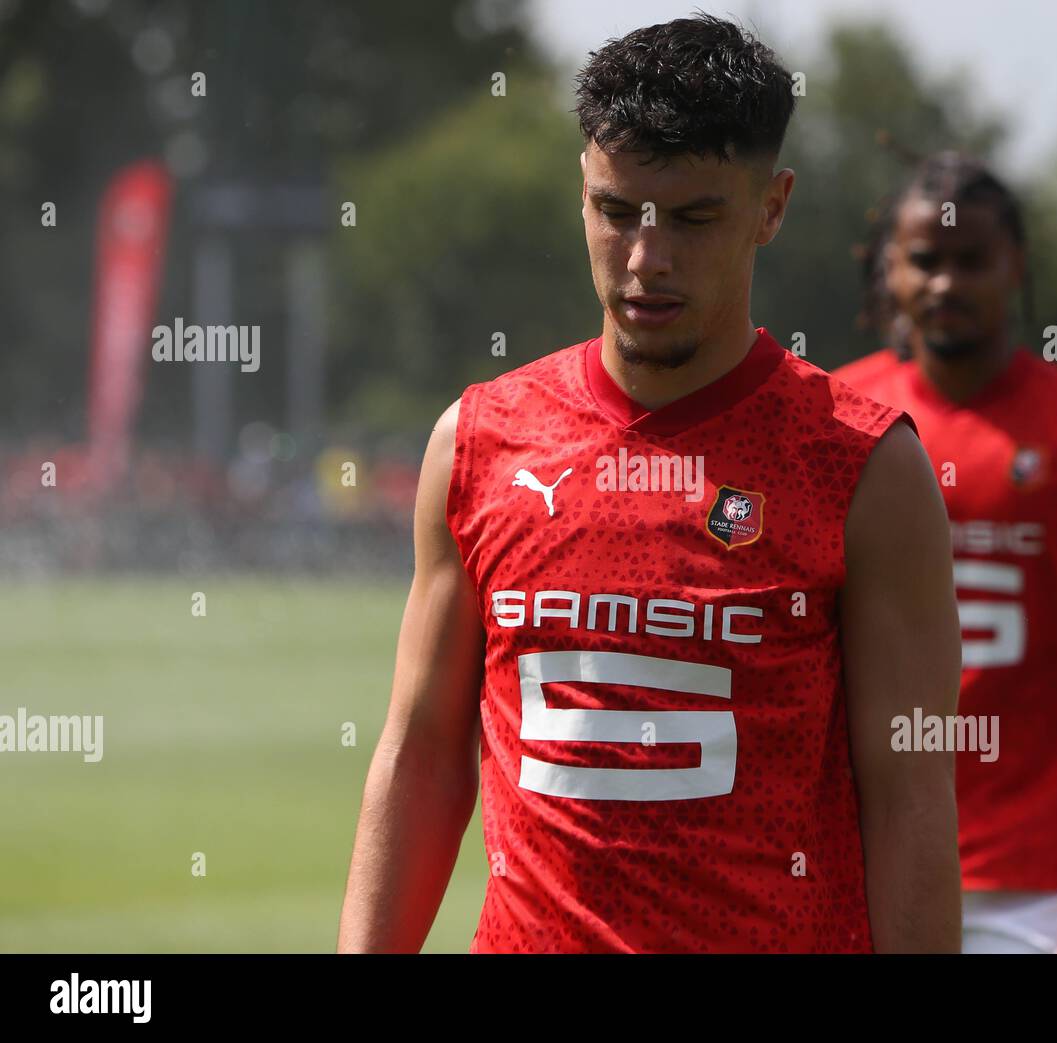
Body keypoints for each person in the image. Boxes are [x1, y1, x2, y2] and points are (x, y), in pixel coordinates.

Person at [338, 15, 961, 954]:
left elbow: (910, 794)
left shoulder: (864, 467)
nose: (646, 259)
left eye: (695, 218)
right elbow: (422, 753)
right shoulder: (476, 441)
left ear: (772, 206)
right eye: (617, 210)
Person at [836, 152, 1057, 953]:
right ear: (891, 269)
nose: (947, 283)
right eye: (924, 260)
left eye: (971, 259)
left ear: (1016, 265)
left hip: (1040, 880)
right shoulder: (834, 417)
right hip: (864, 859)